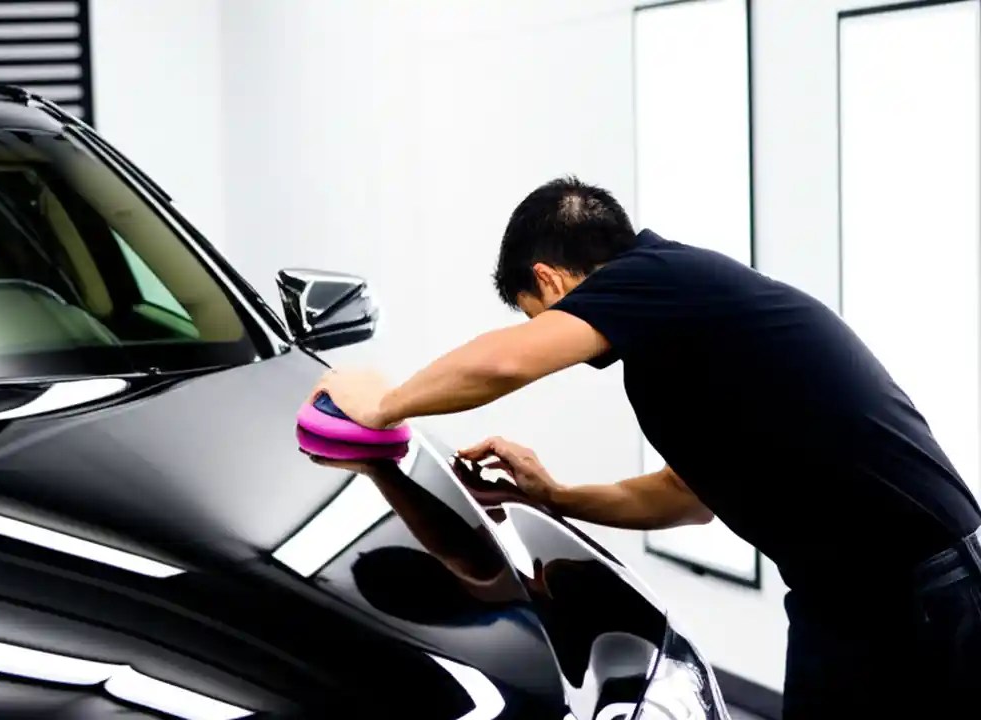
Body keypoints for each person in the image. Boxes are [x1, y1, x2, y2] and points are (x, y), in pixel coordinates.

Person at [310, 176, 981, 717]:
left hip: (918, 592)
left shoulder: (660, 276)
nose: (546, 329)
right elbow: (684, 499)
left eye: (534, 312)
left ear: (549, 280)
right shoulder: (671, 341)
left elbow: (505, 364)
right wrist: (554, 496)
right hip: (850, 598)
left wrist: (382, 404)